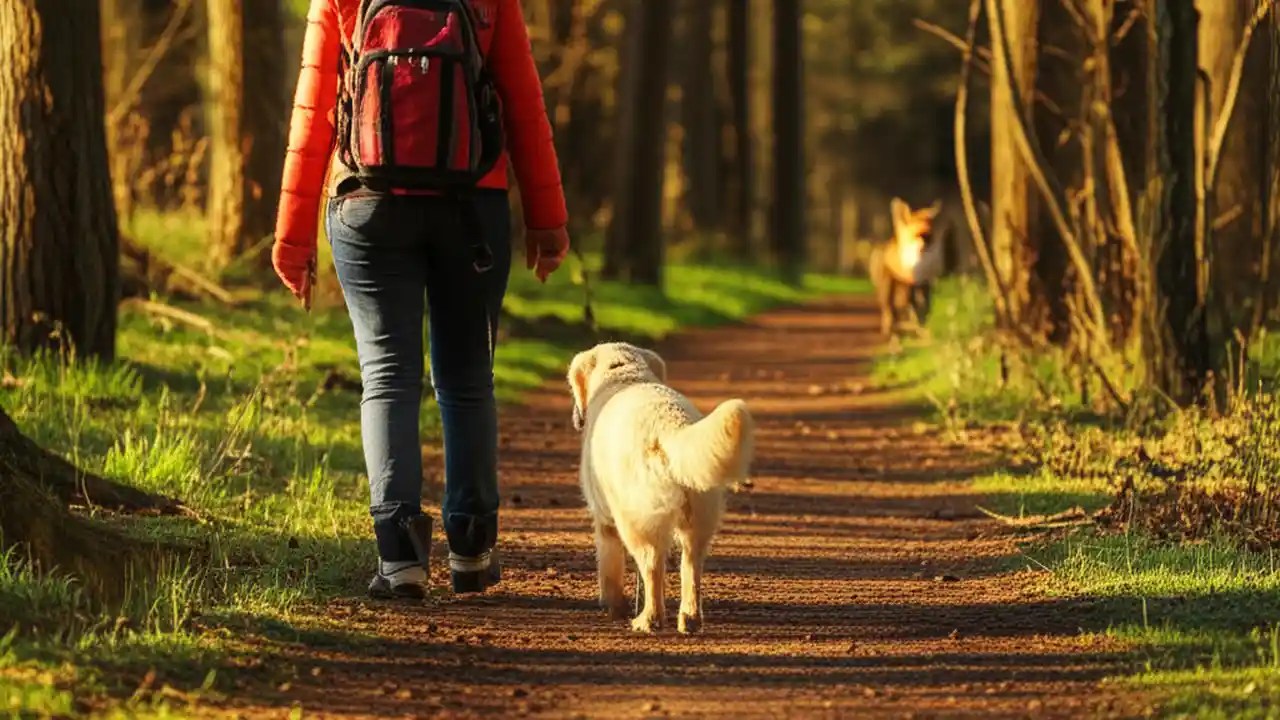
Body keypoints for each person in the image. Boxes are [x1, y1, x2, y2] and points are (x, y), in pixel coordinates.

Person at [272, 0, 570, 599]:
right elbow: (523, 104)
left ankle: (401, 558)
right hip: (472, 205)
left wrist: (292, 236)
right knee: (466, 378)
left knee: (387, 377)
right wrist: (548, 219)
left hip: (366, 201)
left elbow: (312, 115)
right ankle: (471, 549)